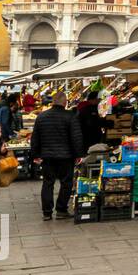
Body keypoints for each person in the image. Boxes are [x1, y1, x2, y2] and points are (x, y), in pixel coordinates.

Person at [30, 91, 84, 220]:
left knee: (48, 183)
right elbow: (76, 137)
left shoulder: (42, 117)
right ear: (65, 103)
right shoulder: (70, 116)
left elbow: (35, 138)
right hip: (66, 156)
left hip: (47, 156)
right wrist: (79, 154)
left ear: (52, 102)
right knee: (66, 183)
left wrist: (35, 154)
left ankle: (47, 213)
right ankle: (61, 210)